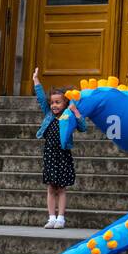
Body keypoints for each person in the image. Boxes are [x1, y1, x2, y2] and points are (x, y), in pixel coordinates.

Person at [32, 67, 86, 229]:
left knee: (61, 187)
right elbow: (41, 98)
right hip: (49, 154)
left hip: (63, 155)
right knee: (50, 187)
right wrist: (36, 80)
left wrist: (76, 112)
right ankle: (51, 217)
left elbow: (83, 127)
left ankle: (61, 217)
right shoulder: (49, 114)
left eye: (58, 102)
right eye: (52, 103)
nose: (54, 105)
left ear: (65, 103)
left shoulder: (68, 116)